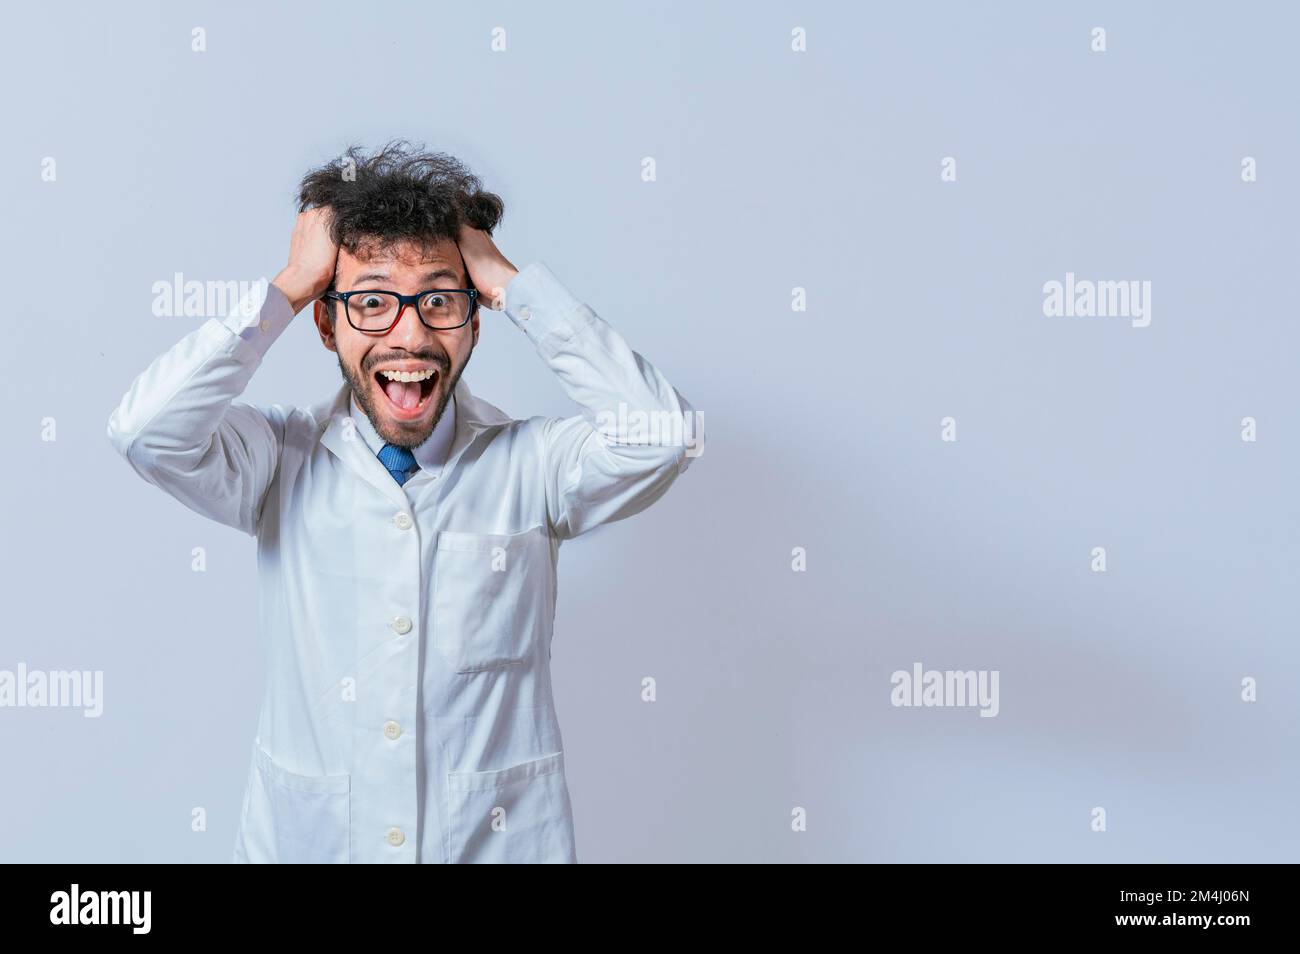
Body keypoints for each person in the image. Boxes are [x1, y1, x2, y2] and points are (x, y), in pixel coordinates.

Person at [106, 142, 704, 863]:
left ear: (476, 321)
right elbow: (145, 432)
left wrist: (511, 283)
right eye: (372, 302)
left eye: (440, 300)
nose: (411, 334)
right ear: (327, 325)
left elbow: (667, 435)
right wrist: (292, 285)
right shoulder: (276, 460)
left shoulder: (533, 466)